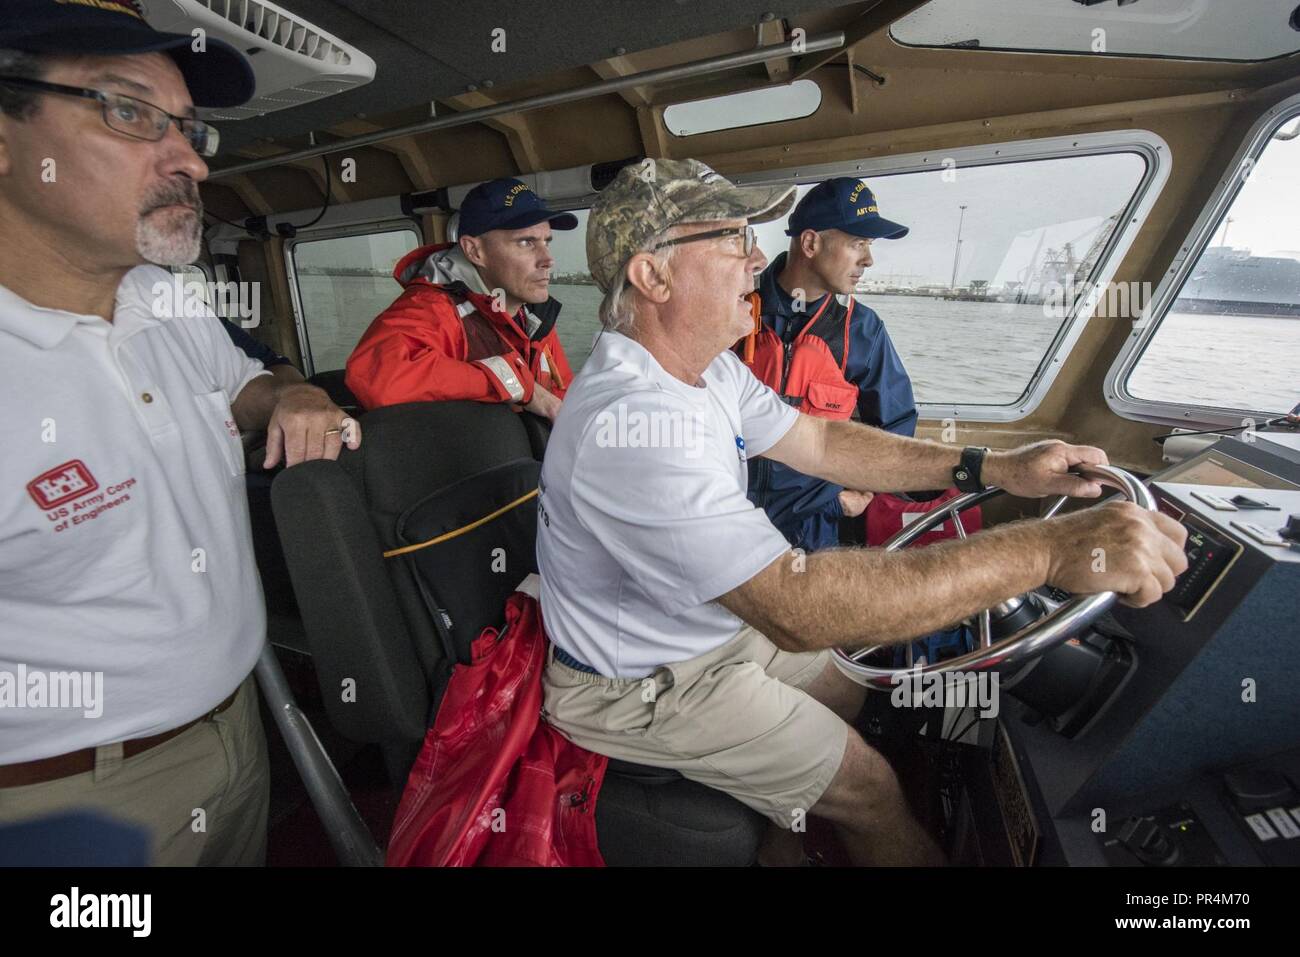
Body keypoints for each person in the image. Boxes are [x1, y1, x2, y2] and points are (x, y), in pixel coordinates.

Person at [534, 158, 1188, 866]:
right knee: (872, 786)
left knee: (847, 681)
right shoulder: (632, 421)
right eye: (730, 238)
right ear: (653, 277)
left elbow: (816, 438)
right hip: (641, 682)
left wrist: (993, 468)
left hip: (704, 628)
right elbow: (794, 605)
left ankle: (780, 837)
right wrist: (1052, 551)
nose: (757, 256)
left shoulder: (704, 366)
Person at [0, 1, 360, 865]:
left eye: (192, 130)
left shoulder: (167, 298)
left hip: (240, 733)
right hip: (65, 800)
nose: (192, 160)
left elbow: (247, 388)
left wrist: (293, 393)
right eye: (128, 111)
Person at [738, 177, 917, 552]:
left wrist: (854, 494)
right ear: (810, 243)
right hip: (729, 523)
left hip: (815, 532)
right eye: (858, 244)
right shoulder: (733, 310)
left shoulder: (863, 331)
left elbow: (895, 432)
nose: (868, 259)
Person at [345, 178, 577, 420]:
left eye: (546, 242)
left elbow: (563, 397)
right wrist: (511, 381)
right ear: (475, 251)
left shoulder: (534, 317)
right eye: (526, 242)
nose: (547, 259)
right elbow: (377, 377)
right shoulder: (434, 307)